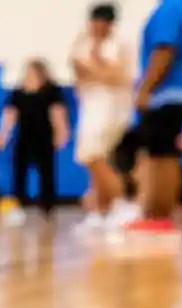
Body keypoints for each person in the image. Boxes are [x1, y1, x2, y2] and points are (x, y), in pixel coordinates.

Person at [128, 0, 182, 232]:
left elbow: (164, 50)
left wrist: (145, 88)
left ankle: (158, 215)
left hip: (166, 94)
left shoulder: (170, 8)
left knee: (160, 156)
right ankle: (161, 214)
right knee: (167, 153)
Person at [70, 3, 133, 231]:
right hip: (91, 106)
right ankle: (100, 210)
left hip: (111, 109)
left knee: (94, 156)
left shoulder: (118, 44)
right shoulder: (84, 43)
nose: (95, 27)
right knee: (94, 160)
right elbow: (79, 71)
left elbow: (117, 76)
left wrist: (94, 67)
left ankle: (122, 204)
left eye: (100, 22)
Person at [0, 59, 69, 225]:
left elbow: (57, 113)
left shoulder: (51, 91)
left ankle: (47, 206)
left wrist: (61, 132)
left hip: (44, 138)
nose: (28, 75)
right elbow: (10, 115)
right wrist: (2, 135)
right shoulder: (18, 93)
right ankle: (19, 205)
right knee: (19, 172)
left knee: (47, 173)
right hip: (24, 138)